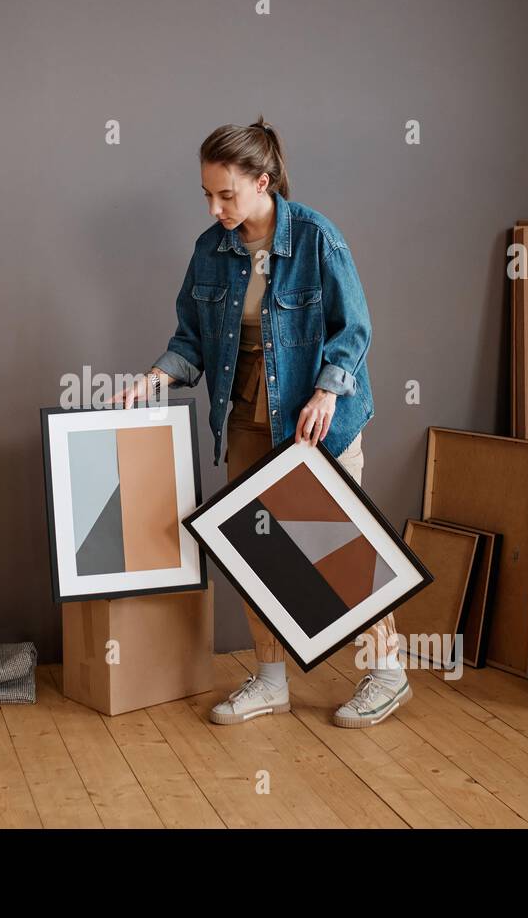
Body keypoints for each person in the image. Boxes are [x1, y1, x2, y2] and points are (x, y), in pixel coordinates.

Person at [113, 117, 409, 729]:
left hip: (315, 413)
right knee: (256, 545)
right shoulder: (209, 251)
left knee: (338, 547)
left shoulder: (317, 239)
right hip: (243, 412)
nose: (216, 206)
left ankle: (387, 672)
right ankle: (271, 679)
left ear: (263, 182)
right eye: (207, 194)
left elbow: (354, 330)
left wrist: (328, 392)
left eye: (227, 193)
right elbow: (192, 340)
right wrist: (153, 379)